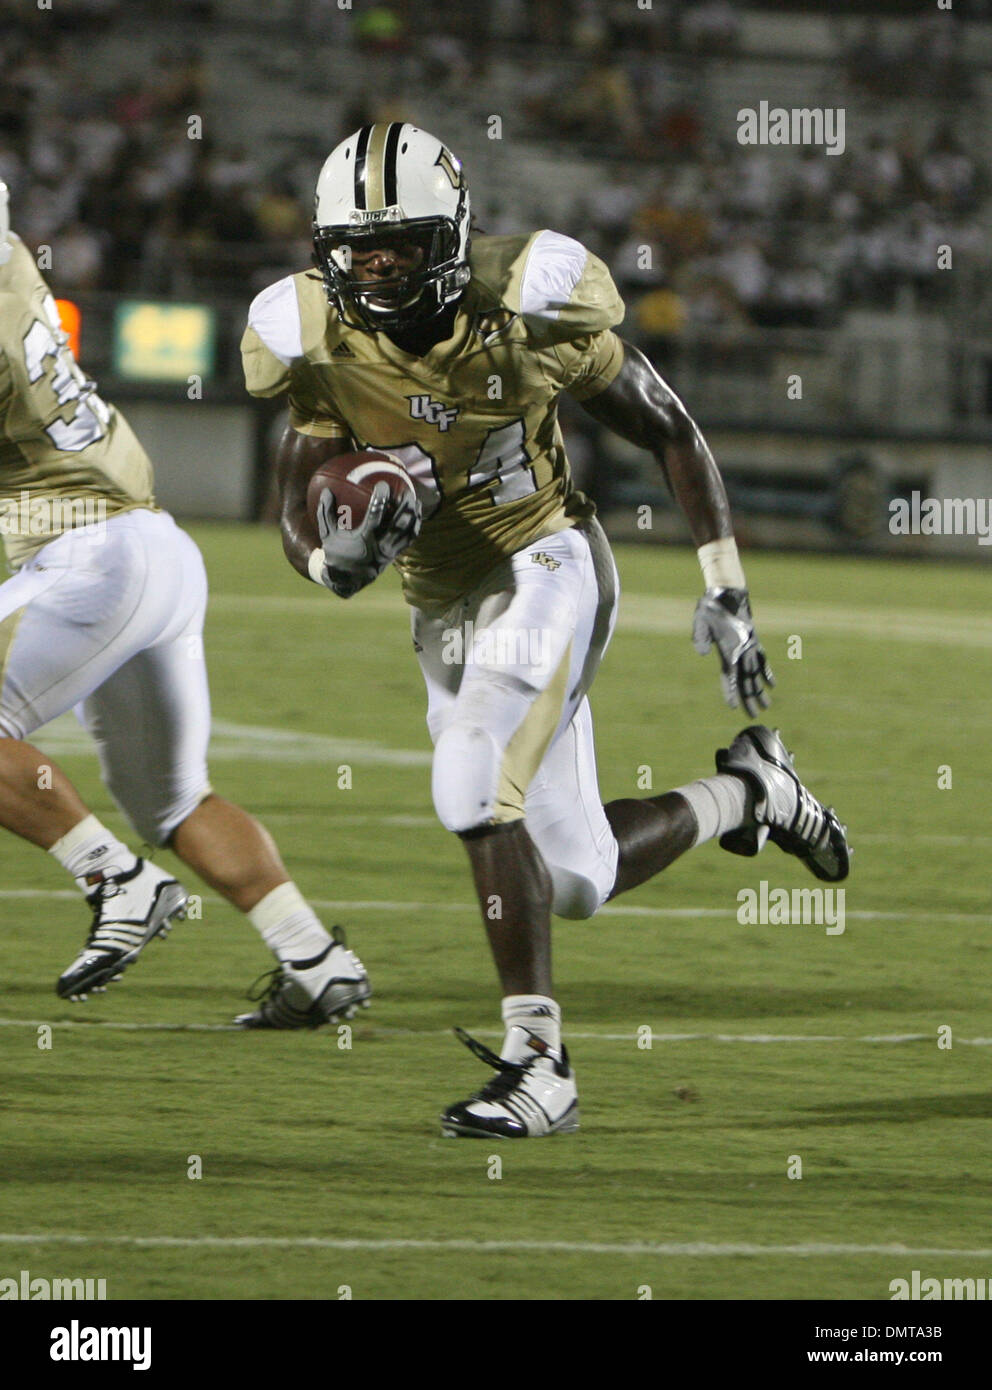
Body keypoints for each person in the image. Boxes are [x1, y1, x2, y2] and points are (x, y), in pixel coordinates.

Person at [241, 124, 849, 1136]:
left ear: (452, 235)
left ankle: (539, 1063)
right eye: (359, 246)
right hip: (441, 605)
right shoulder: (314, 339)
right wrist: (328, 559)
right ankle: (751, 788)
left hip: (547, 563)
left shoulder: (526, 306)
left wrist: (725, 588)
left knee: (471, 777)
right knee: (573, 875)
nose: (377, 263)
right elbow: (295, 509)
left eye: (401, 240)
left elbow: (668, 426)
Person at [0, 180, 368, 1028]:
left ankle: (116, 879)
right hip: (152, 553)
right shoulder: (17, 263)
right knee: (174, 801)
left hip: (94, 558)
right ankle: (316, 960)